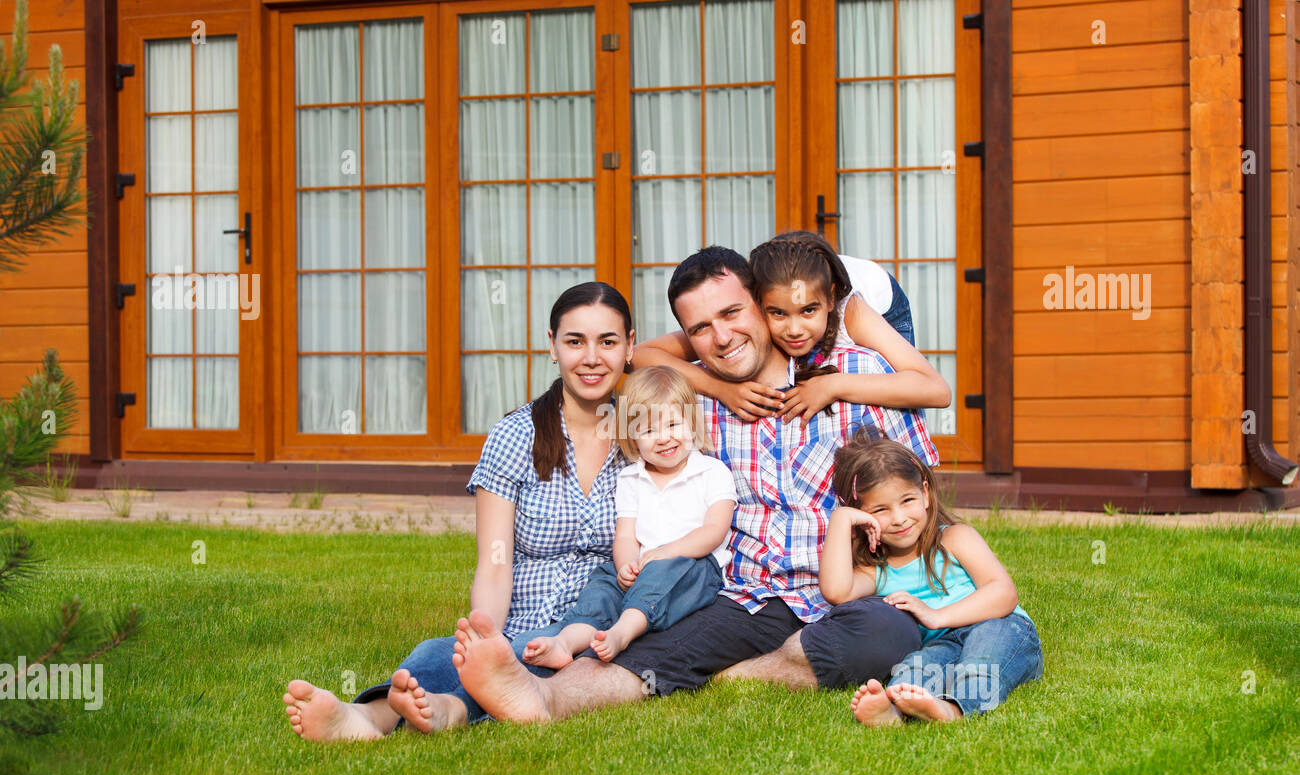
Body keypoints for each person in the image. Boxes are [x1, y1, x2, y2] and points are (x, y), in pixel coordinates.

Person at [450, 246, 950, 725]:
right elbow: (633, 361)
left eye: (733, 313)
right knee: (650, 641)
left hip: (847, 592)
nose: (723, 336)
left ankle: (740, 673)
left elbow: (920, 496)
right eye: (701, 329)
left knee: (882, 634)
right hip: (749, 595)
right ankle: (541, 696)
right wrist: (720, 385)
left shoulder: (856, 374)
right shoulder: (693, 403)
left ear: (763, 304)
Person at [281, 282, 634, 741]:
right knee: (448, 652)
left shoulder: (646, 437)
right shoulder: (513, 436)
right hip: (524, 618)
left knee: (550, 670)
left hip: (599, 627)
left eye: (608, 341)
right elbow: (494, 560)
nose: (592, 358)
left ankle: (444, 710)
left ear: (631, 346)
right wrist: (484, 633)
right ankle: (367, 715)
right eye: (574, 341)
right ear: (552, 346)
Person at [820, 433, 1043, 726]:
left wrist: (936, 616)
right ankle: (895, 711)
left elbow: (1003, 593)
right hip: (944, 645)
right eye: (880, 509)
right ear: (862, 516)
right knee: (916, 667)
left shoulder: (953, 538)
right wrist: (840, 519)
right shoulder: (877, 570)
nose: (899, 518)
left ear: (925, 493)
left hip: (1001, 628)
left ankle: (955, 709)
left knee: (983, 659)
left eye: (907, 500)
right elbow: (836, 591)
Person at [522, 366, 736, 667]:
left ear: (692, 424)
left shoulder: (712, 472)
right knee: (603, 582)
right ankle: (566, 640)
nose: (663, 438)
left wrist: (666, 552)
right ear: (633, 438)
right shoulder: (631, 478)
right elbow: (625, 535)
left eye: (673, 425)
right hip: (644, 564)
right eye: (649, 430)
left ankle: (622, 632)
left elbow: (714, 530)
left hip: (695, 568)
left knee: (664, 574)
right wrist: (626, 566)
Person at [633, 231, 942, 424]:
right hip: (796, 281)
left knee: (896, 400)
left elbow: (934, 390)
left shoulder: (852, 311)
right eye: (778, 313)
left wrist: (833, 386)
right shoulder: (738, 316)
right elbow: (639, 356)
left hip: (881, 303)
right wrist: (722, 389)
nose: (722, 336)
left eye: (806, 312)